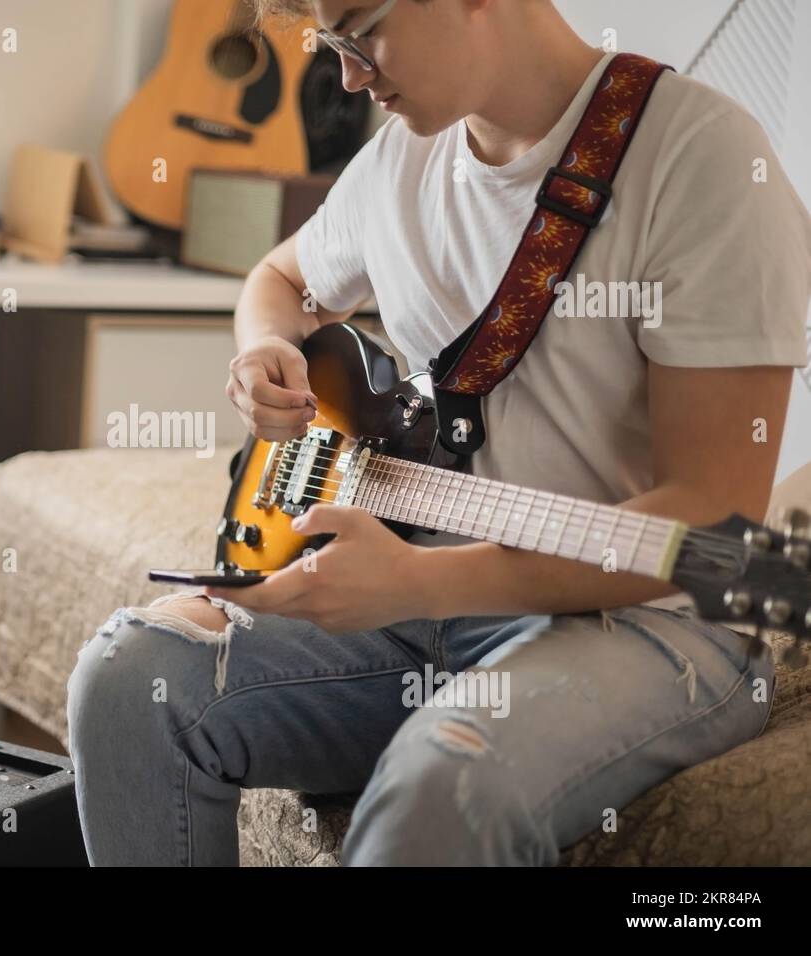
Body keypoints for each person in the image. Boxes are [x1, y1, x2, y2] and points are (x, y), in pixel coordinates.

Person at [66, 0, 811, 865]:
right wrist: (265, 349)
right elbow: (280, 278)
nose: (346, 76)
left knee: (440, 786)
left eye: (358, 30)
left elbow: (712, 523)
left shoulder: (702, 161)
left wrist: (420, 582)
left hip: (645, 620)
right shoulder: (400, 158)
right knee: (128, 683)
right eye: (328, 44)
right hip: (417, 596)